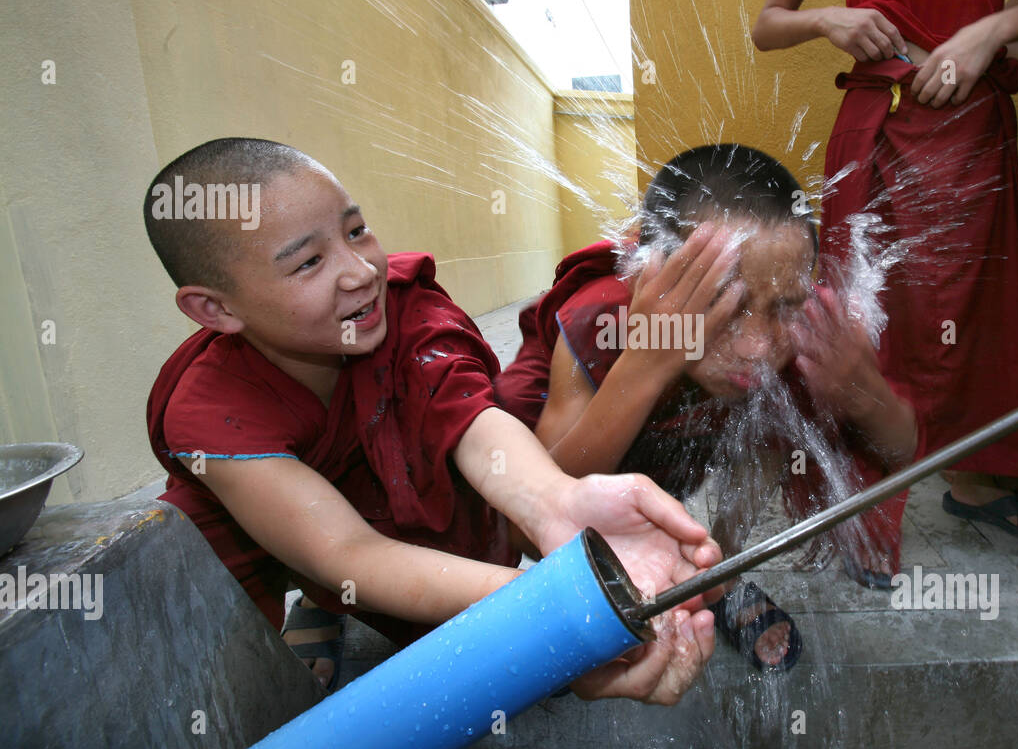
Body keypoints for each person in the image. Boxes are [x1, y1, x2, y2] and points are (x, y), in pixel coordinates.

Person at [144, 137, 721, 701]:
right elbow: (346, 551)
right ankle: (321, 600)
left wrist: (555, 502)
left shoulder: (405, 309)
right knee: (228, 629)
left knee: (444, 496)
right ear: (215, 309)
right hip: (301, 527)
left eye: (356, 231)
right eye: (309, 262)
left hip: (360, 522)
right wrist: (548, 604)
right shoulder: (212, 410)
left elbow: (471, 421)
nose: (360, 272)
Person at [496, 144, 918, 670]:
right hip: (599, 441)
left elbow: (904, 450)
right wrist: (645, 365)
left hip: (692, 430)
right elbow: (525, 523)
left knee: (775, 416)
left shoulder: (802, 327)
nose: (758, 346)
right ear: (655, 281)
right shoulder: (608, 317)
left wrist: (865, 393)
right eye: (727, 305)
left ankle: (722, 567)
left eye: (784, 306)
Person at [751, 0, 1018, 585]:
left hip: (974, 126)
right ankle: (863, 502)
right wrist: (827, 19)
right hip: (877, 128)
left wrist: (989, 32)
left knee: (983, 313)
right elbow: (766, 25)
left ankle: (977, 482)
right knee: (868, 321)